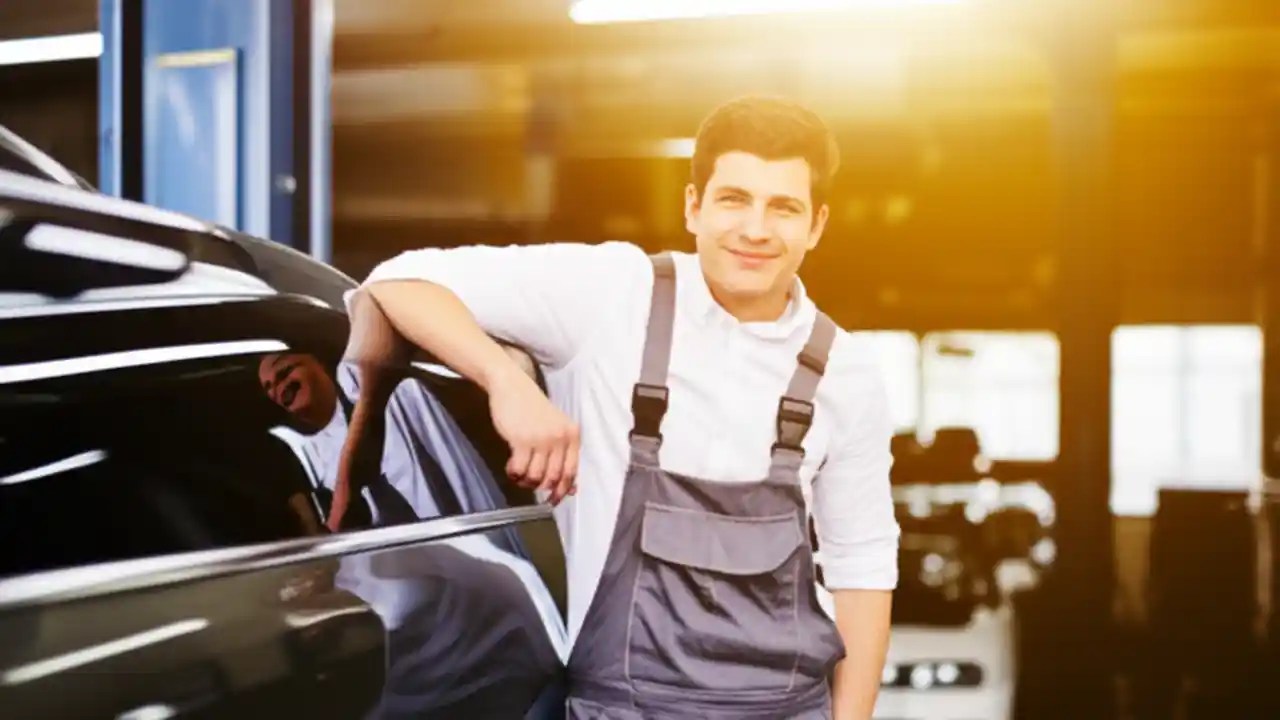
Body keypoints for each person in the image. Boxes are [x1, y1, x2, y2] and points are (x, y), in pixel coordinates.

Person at [344, 95, 899, 719]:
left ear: (817, 225)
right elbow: (397, 281)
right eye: (734, 198)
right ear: (693, 206)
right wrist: (507, 381)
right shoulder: (613, 294)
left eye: (784, 208)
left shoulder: (846, 372)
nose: (756, 229)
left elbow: (862, 563)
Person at [256, 351, 517, 539]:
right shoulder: (302, 456)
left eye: (285, 371)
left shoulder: (400, 400)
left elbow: (464, 484)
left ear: (319, 362)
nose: (278, 387)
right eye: (269, 387)